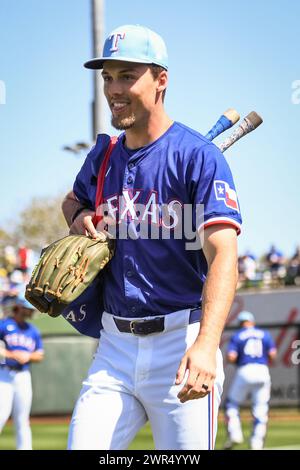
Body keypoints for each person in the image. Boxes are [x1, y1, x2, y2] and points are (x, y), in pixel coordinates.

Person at [62, 24, 242, 450]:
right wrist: (81, 216)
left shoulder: (199, 158)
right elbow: (71, 200)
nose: (113, 89)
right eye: (107, 77)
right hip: (113, 348)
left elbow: (224, 257)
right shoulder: (103, 154)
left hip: (181, 342)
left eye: (127, 75)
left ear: (161, 80)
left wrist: (206, 344)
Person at [224, 311, 277, 450]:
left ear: (241, 323)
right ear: (252, 321)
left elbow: (231, 357)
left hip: (245, 370)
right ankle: (256, 443)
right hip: (263, 370)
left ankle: (235, 434)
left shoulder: (237, 335)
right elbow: (272, 354)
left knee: (231, 404)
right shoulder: (264, 334)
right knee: (261, 409)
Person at [0, 297, 44, 450]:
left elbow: (39, 355)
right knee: (1, 416)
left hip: (23, 376)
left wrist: (28, 356)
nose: (31, 311)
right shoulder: (4, 324)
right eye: (27, 308)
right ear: (19, 307)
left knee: (23, 420)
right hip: (4, 375)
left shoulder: (33, 330)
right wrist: (12, 354)